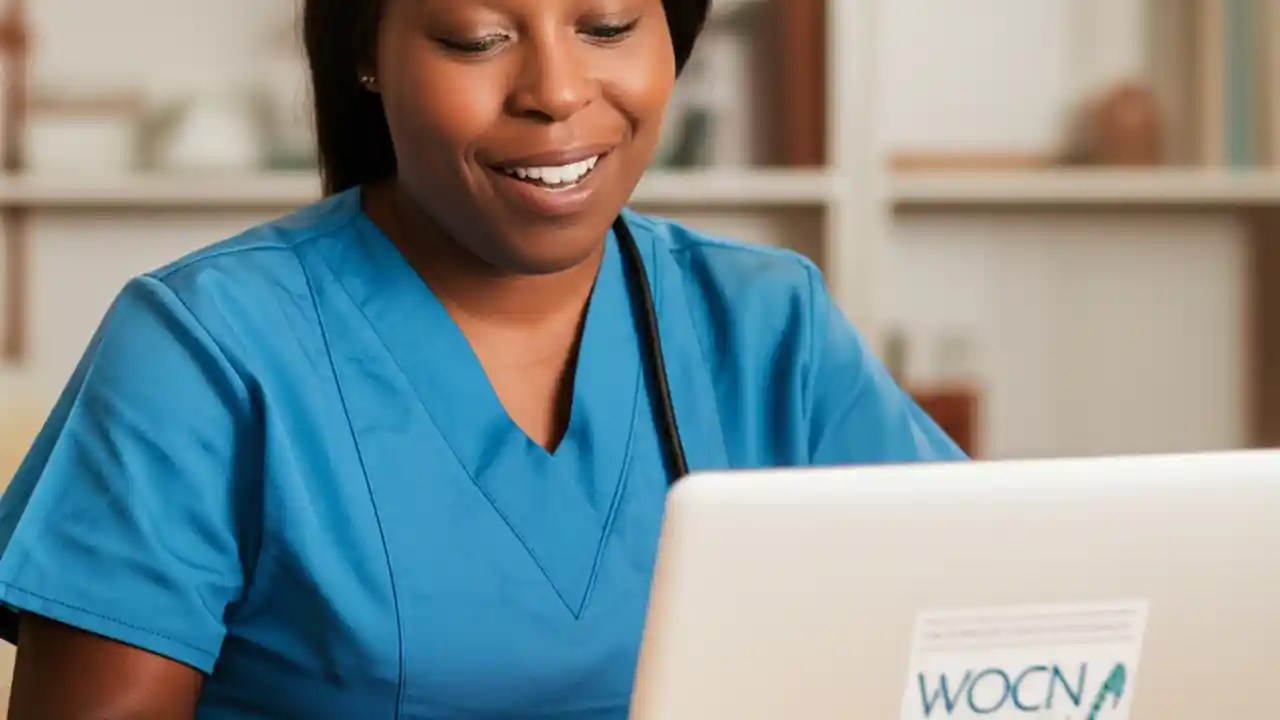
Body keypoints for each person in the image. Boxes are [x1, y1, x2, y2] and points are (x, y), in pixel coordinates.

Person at [0, 0, 964, 716]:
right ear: (367, 52)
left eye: (610, 26)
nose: (555, 92)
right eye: (477, 38)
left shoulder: (767, 328)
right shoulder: (207, 347)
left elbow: (988, 641)